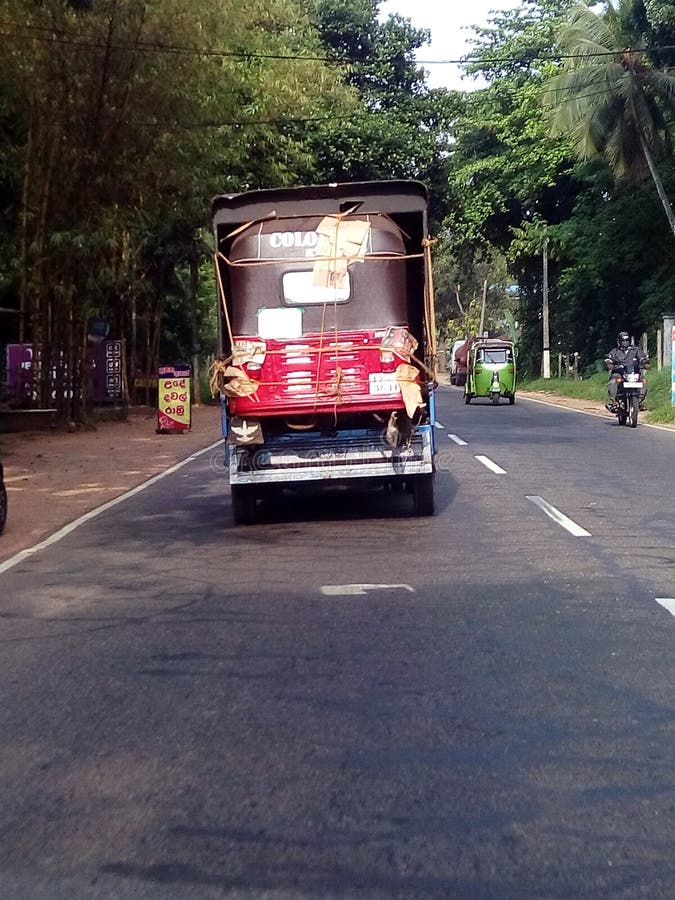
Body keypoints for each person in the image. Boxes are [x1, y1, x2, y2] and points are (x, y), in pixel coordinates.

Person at [605, 331, 649, 411]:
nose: (625, 342)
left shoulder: (635, 350)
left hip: (633, 373)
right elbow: (609, 358)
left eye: (627, 340)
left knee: (643, 380)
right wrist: (610, 364)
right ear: (619, 342)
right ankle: (614, 402)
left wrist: (644, 362)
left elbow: (643, 357)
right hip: (620, 373)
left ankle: (640, 401)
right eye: (623, 340)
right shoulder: (615, 351)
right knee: (614, 381)